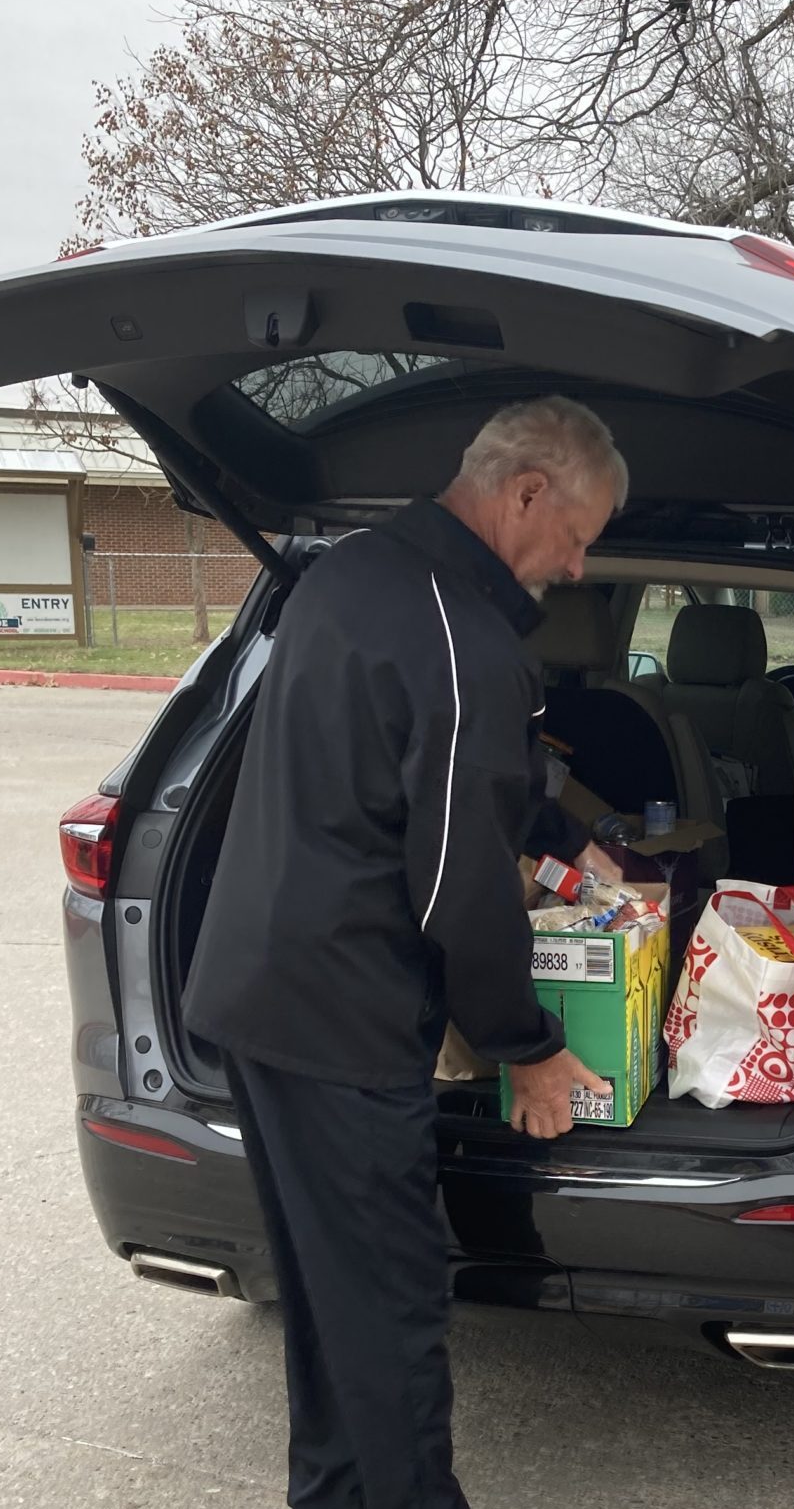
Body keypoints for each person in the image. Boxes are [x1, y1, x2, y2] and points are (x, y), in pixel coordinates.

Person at [182, 395, 632, 1509]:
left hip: (258, 994)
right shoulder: (463, 640)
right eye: (578, 536)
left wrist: (565, 834)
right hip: (344, 1017)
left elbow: (406, 771)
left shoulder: (345, 576)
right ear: (525, 492)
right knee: (388, 1314)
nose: (577, 567)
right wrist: (525, 1043)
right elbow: (455, 885)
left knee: (329, 1302)